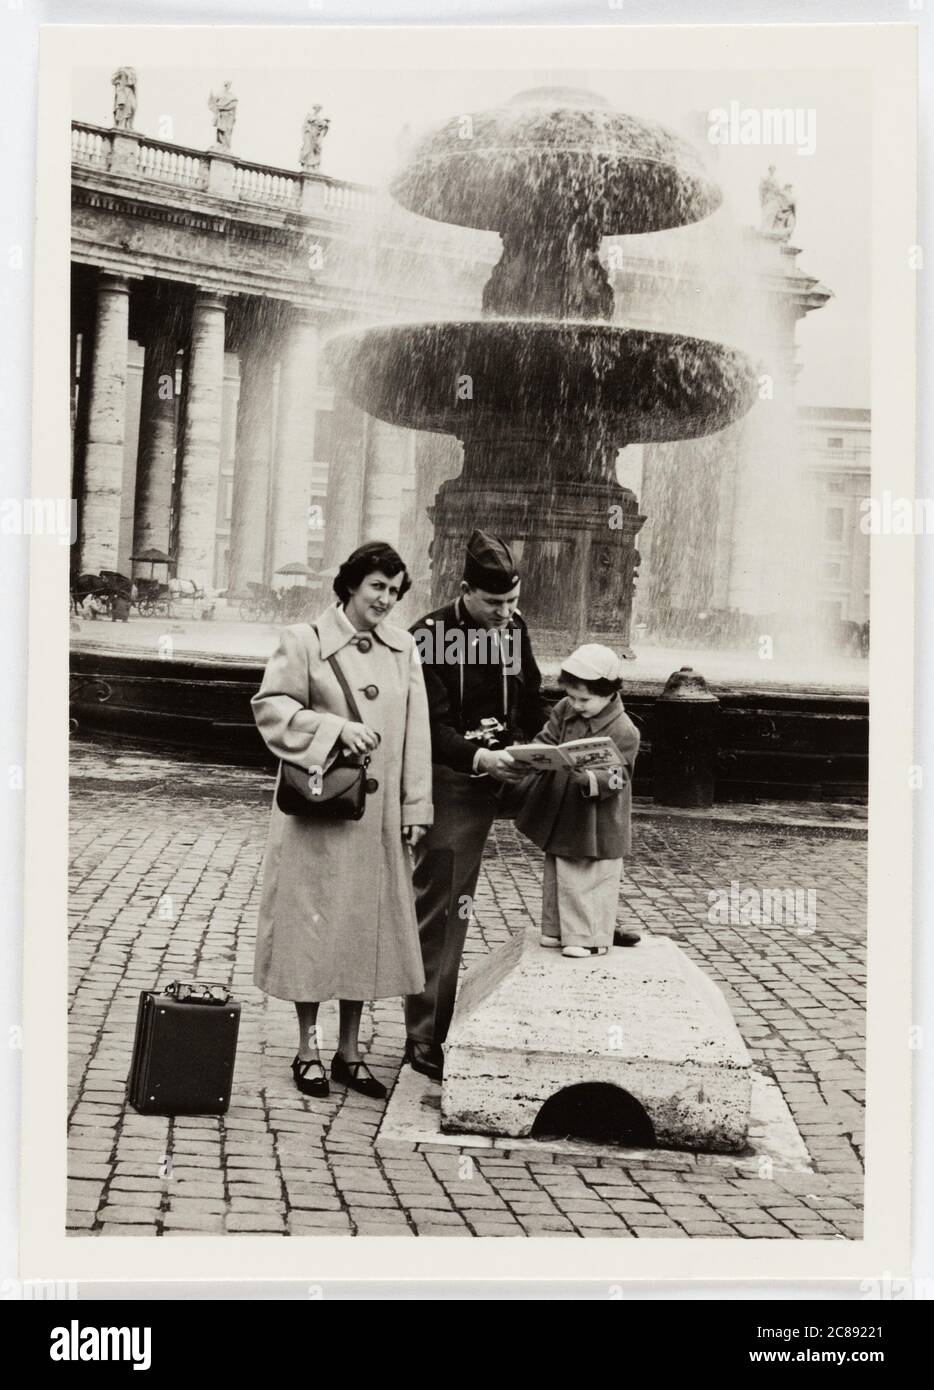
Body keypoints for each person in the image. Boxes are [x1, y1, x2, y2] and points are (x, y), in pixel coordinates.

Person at [251, 542, 433, 1100]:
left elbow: (417, 734)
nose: (386, 598)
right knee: (312, 931)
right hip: (320, 809)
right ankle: (307, 1049)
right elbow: (271, 709)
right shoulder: (303, 641)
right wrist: (333, 730)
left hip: (375, 821)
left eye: (394, 588)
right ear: (351, 585)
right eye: (377, 585)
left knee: (363, 930)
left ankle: (349, 1053)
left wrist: (416, 807)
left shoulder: (404, 650)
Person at [404, 529, 548, 1081]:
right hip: (455, 776)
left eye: (513, 602)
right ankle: (425, 1036)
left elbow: (531, 699)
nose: (506, 614)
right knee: (443, 907)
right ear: (464, 590)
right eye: (494, 603)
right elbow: (430, 729)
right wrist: (479, 758)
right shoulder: (428, 637)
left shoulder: (515, 628)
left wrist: (543, 750)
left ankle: (591, 916)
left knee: (583, 800)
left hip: (511, 766)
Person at [514, 644, 641, 957]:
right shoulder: (564, 709)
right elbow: (547, 737)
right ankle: (554, 929)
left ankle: (586, 936)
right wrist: (533, 755)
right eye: (571, 696)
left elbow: (619, 777)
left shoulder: (625, 729)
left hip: (595, 817)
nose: (577, 705)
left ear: (608, 693)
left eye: (584, 699)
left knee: (588, 875)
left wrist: (590, 779)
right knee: (558, 868)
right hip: (563, 806)